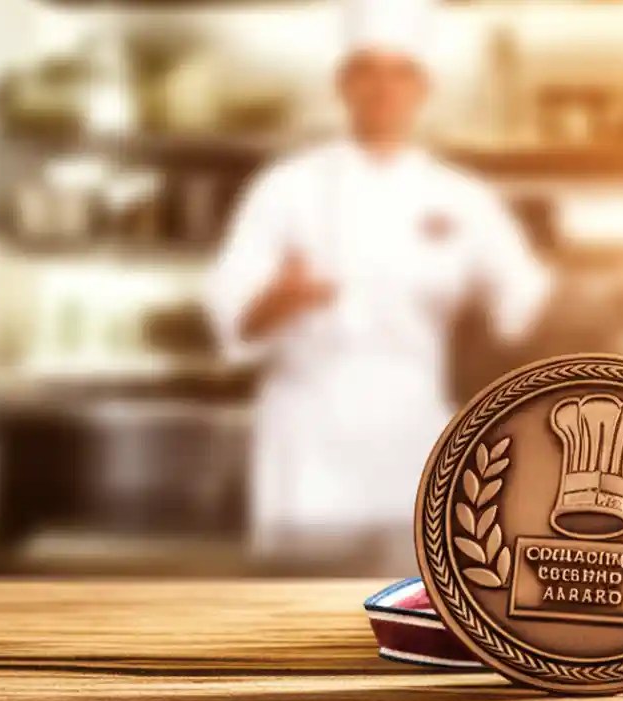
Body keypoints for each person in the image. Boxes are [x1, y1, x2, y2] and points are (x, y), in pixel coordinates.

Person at [204, 0, 551, 573]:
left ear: (422, 88)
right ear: (344, 84)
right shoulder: (285, 189)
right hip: (307, 455)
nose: (383, 90)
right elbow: (231, 317)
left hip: (412, 446)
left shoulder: (462, 197)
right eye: (367, 72)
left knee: (407, 629)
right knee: (288, 631)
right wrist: (280, 300)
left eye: (400, 74)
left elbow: (528, 308)